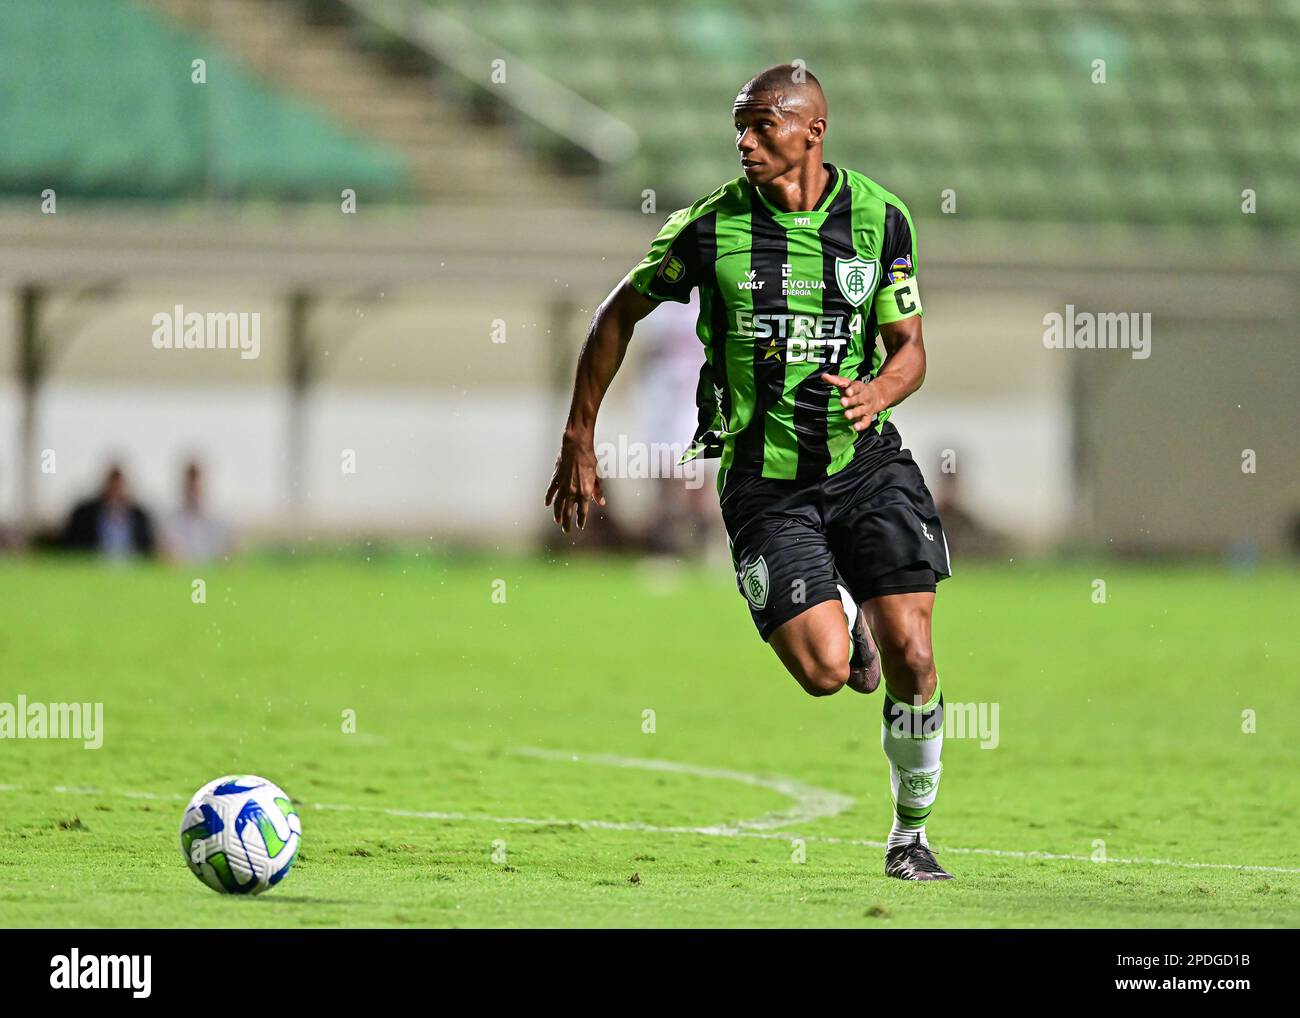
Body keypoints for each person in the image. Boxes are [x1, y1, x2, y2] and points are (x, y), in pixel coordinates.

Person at [546, 65, 953, 880]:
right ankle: (843, 612)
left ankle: (910, 833)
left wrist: (878, 389)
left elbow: (909, 350)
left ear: (813, 131)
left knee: (913, 651)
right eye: (739, 125)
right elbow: (617, 311)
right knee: (824, 672)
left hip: (865, 461)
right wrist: (580, 436)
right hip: (765, 482)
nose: (745, 141)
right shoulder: (709, 230)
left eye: (763, 125)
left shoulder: (881, 219)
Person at [62, 463, 156, 558]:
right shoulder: (84, 514)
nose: (116, 493)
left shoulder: (139, 517)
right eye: (113, 488)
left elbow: (148, 547)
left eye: (119, 488)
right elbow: (72, 545)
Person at [162, 460, 232, 562]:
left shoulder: (220, 522)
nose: (193, 490)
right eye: (190, 485)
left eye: (196, 485)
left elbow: (228, 557)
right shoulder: (171, 522)